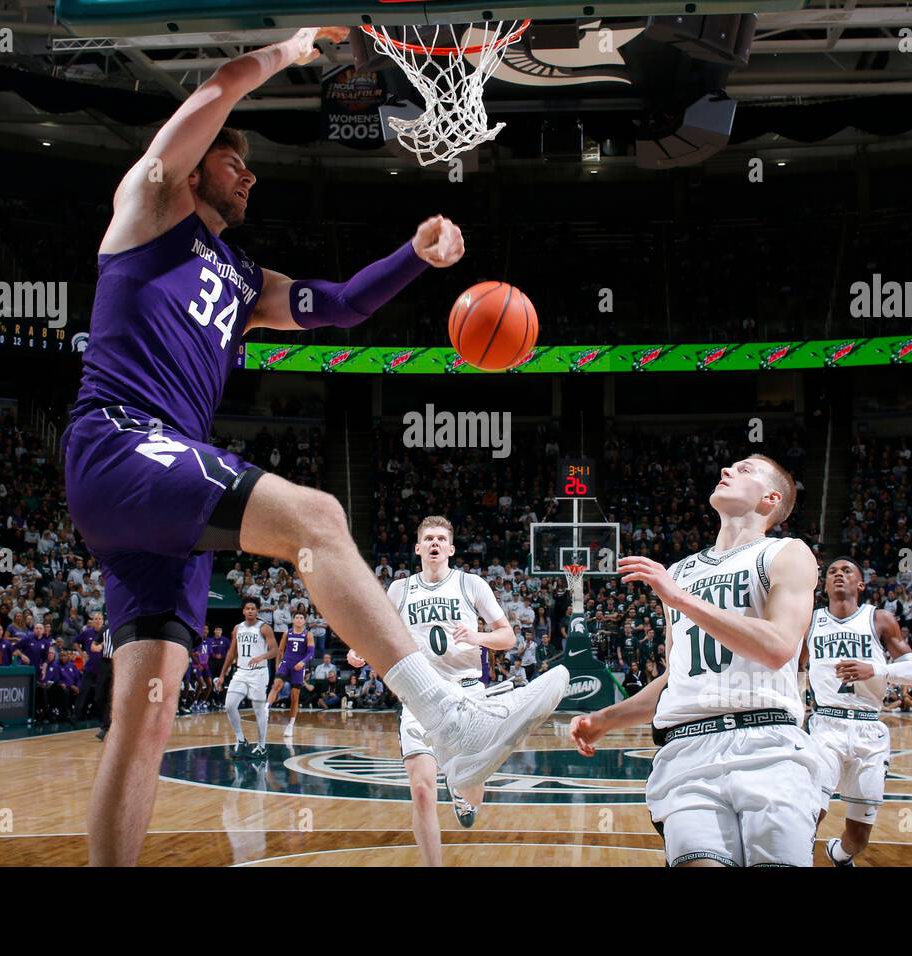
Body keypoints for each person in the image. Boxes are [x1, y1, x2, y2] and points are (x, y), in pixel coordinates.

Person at [60, 27, 565, 864]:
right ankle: (450, 717)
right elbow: (218, 85)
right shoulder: (149, 206)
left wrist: (415, 254)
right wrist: (290, 52)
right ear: (193, 164)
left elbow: (336, 307)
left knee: (146, 718)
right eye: (234, 160)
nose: (249, 173)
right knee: (317, 518)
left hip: (153, 506)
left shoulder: (242, 277)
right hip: (119, 444)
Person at [569, 454, 824, 867]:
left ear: (770, 498)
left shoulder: (787, 553)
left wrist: (678, 598)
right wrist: (605, 720)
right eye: (729, 467)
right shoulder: (681, 572)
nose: (727, 471)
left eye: (744, 470)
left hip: (769, 744)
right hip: (688, 749)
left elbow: (778, 647)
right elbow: (677, 678)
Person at [346, 515, 541, 867]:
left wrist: (478, 637)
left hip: (466, 694)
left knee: (472, 787)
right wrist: (360, 649)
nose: (435, 544)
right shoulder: (400, 589)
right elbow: (378, 630)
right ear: (418, 548)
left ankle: (463, 791)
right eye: (428, 539)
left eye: (441, 539)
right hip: (418, 694)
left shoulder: (471, 585)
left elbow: (508, 637)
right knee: (421, 790)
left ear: (450, 548)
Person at [800, 558, 912, 867]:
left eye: (847, 571)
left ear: (860, 585)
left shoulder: (880, 619)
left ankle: (838, 855)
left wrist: (873, 669)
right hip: (825, 725)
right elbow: (797, 668)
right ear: (824, 586)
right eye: (832, 572)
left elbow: (911, 670)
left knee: (859, 838)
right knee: (810, 810)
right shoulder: (809, 622)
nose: (838, 574)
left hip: (869, 730)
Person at [217, 597, 276, 758]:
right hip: (241, 671)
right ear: (243, 611)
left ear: (257, 610)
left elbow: (274, 651)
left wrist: (260, 657)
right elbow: (231, 652)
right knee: (229, 706)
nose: (250, 611)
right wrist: (222, 674)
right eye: (247, 608)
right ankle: (241, 739)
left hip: (259, 672)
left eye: (253, 608)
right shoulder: (238, 628)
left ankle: (262, 746)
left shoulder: (264, 628)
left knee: (258, 710)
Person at [268, 611, 314, 738]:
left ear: (304, 621)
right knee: (276, 685)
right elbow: (280, 650)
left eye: (301, 618)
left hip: (298, 667)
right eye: (297, 617)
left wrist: (303, 662)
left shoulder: (308, 634)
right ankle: (266, 708)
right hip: (286, 663)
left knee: (295, 696)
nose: (299, 619)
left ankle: (290, 725)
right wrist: (278, 664)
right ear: (293, 620)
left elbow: (311, 653)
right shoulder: (287, 633)